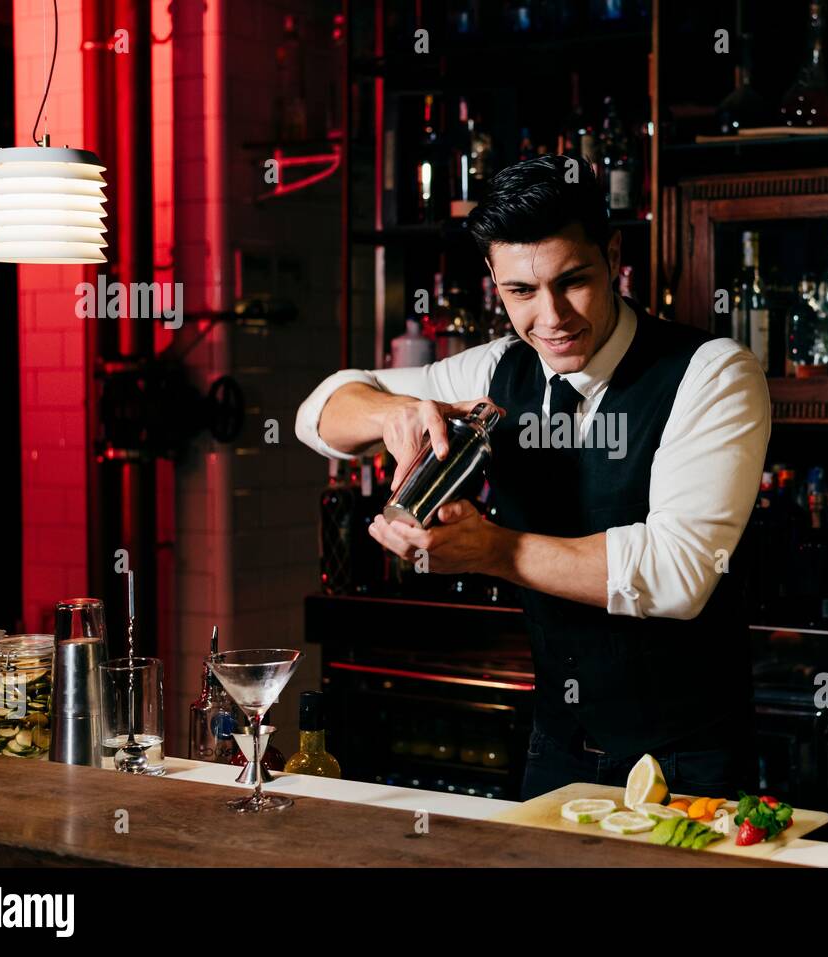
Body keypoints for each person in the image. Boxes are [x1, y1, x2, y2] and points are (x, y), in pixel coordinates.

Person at [296, 155, 771, 800]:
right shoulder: (498, 371)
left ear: (613, 257)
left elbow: (676, 574)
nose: (551, 317)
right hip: (556, 750)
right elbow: (317, 412)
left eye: (572, 281)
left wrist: (497, 551)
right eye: (520, 291)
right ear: (494, 279)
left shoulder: (711, 374)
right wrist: (396, 411)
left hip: (690, 760)